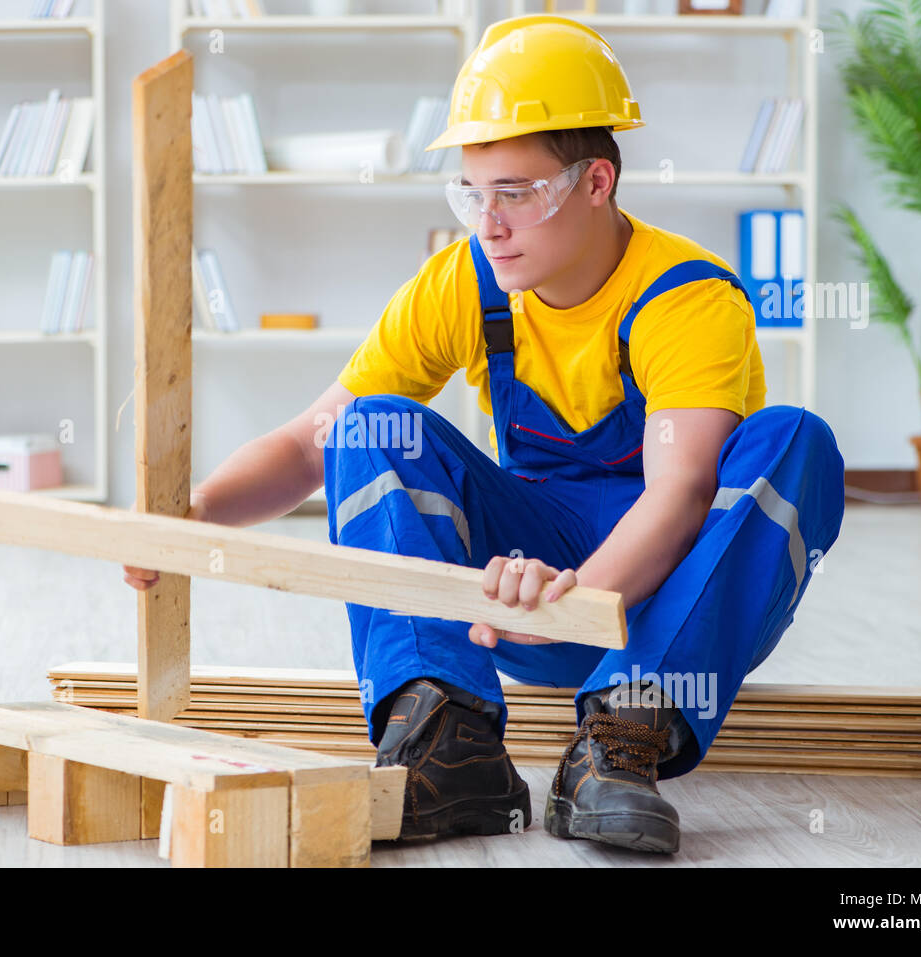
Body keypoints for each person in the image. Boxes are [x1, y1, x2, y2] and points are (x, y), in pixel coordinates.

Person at [125, 14, 846, 854]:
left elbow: (682, 495)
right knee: (371, 423)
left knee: (796, 439)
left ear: (596, 182)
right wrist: (195, 512)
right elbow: (306, 443)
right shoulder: (467, 280)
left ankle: (619, 744)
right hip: (517, 607)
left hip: (669, 610)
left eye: (517, 193)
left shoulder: (685, 297)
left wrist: (573, 603)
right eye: (472, 193)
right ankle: (446, 742)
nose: (490, 222)